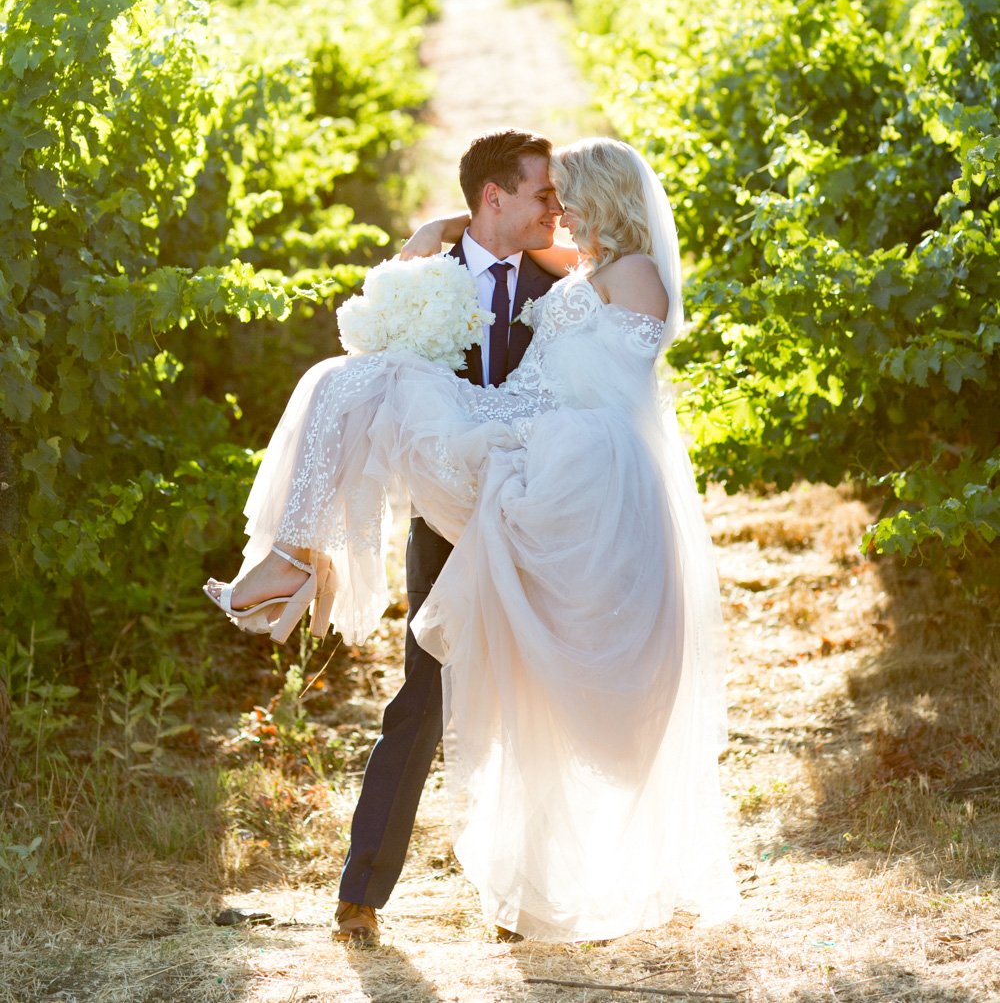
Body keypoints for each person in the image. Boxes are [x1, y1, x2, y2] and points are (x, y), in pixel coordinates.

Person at [205, 135, 738, 944]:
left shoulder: (580, 273)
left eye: (564, 196)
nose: (557, 209)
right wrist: (439, 228)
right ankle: (361, 892)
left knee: (533, 698)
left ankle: (530, 896)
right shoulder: (466, 267)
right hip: (462, 496)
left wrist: (491, 228)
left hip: (550, 487)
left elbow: (609, 373)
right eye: (542, 195)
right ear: (498, 198)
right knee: (421, 695)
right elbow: (446, 267)